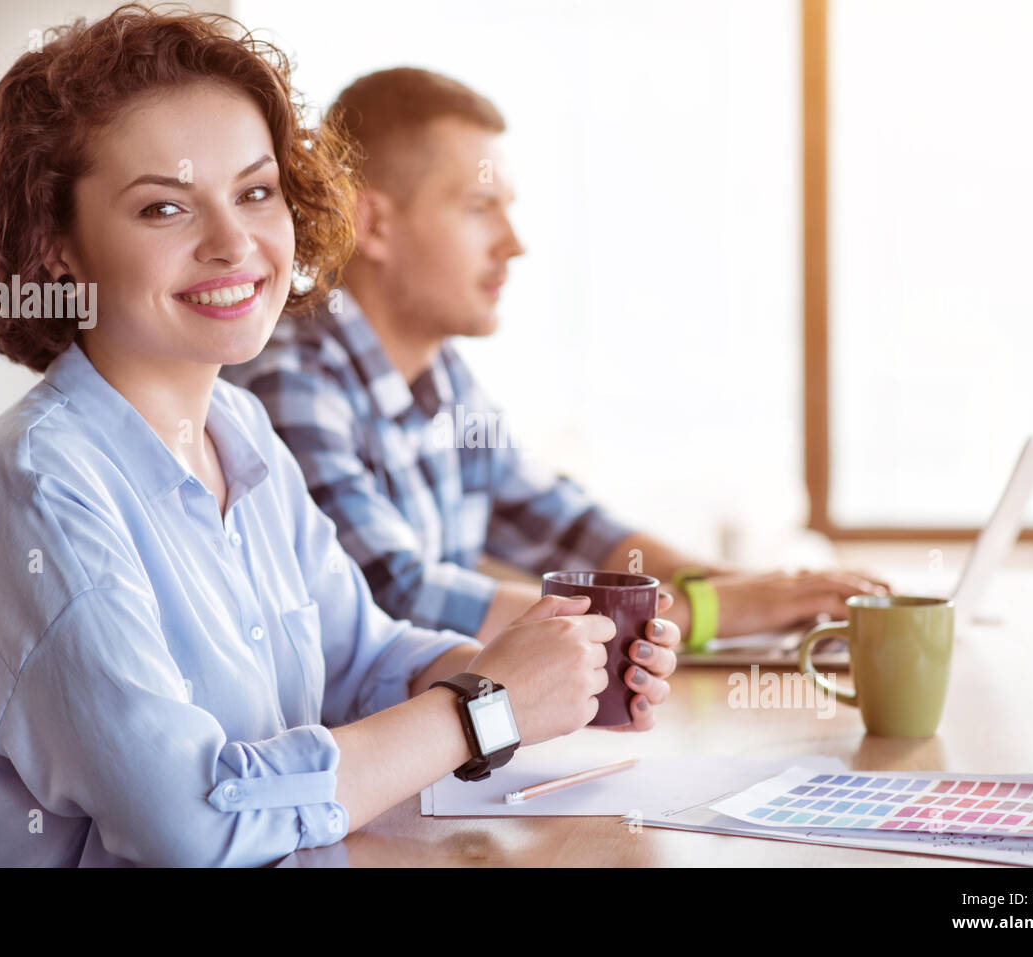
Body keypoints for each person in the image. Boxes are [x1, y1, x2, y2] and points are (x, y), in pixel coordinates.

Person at [0, 5, 679, 868]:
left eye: (256, 192)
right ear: (57, 247)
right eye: (163, 208)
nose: (235, 244)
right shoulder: (34, 483)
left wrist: (553, 670)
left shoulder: (238, 426)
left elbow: (364, 659)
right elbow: (192, 819)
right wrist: (487, 704)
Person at [223, 67, 890, 656]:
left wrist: (757, 590)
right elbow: (390, 595)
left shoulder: (443, 381)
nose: (514, 244)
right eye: (481, 207)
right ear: (373, 226)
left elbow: (572, 527)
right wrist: (710, 612)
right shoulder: (291, 378)